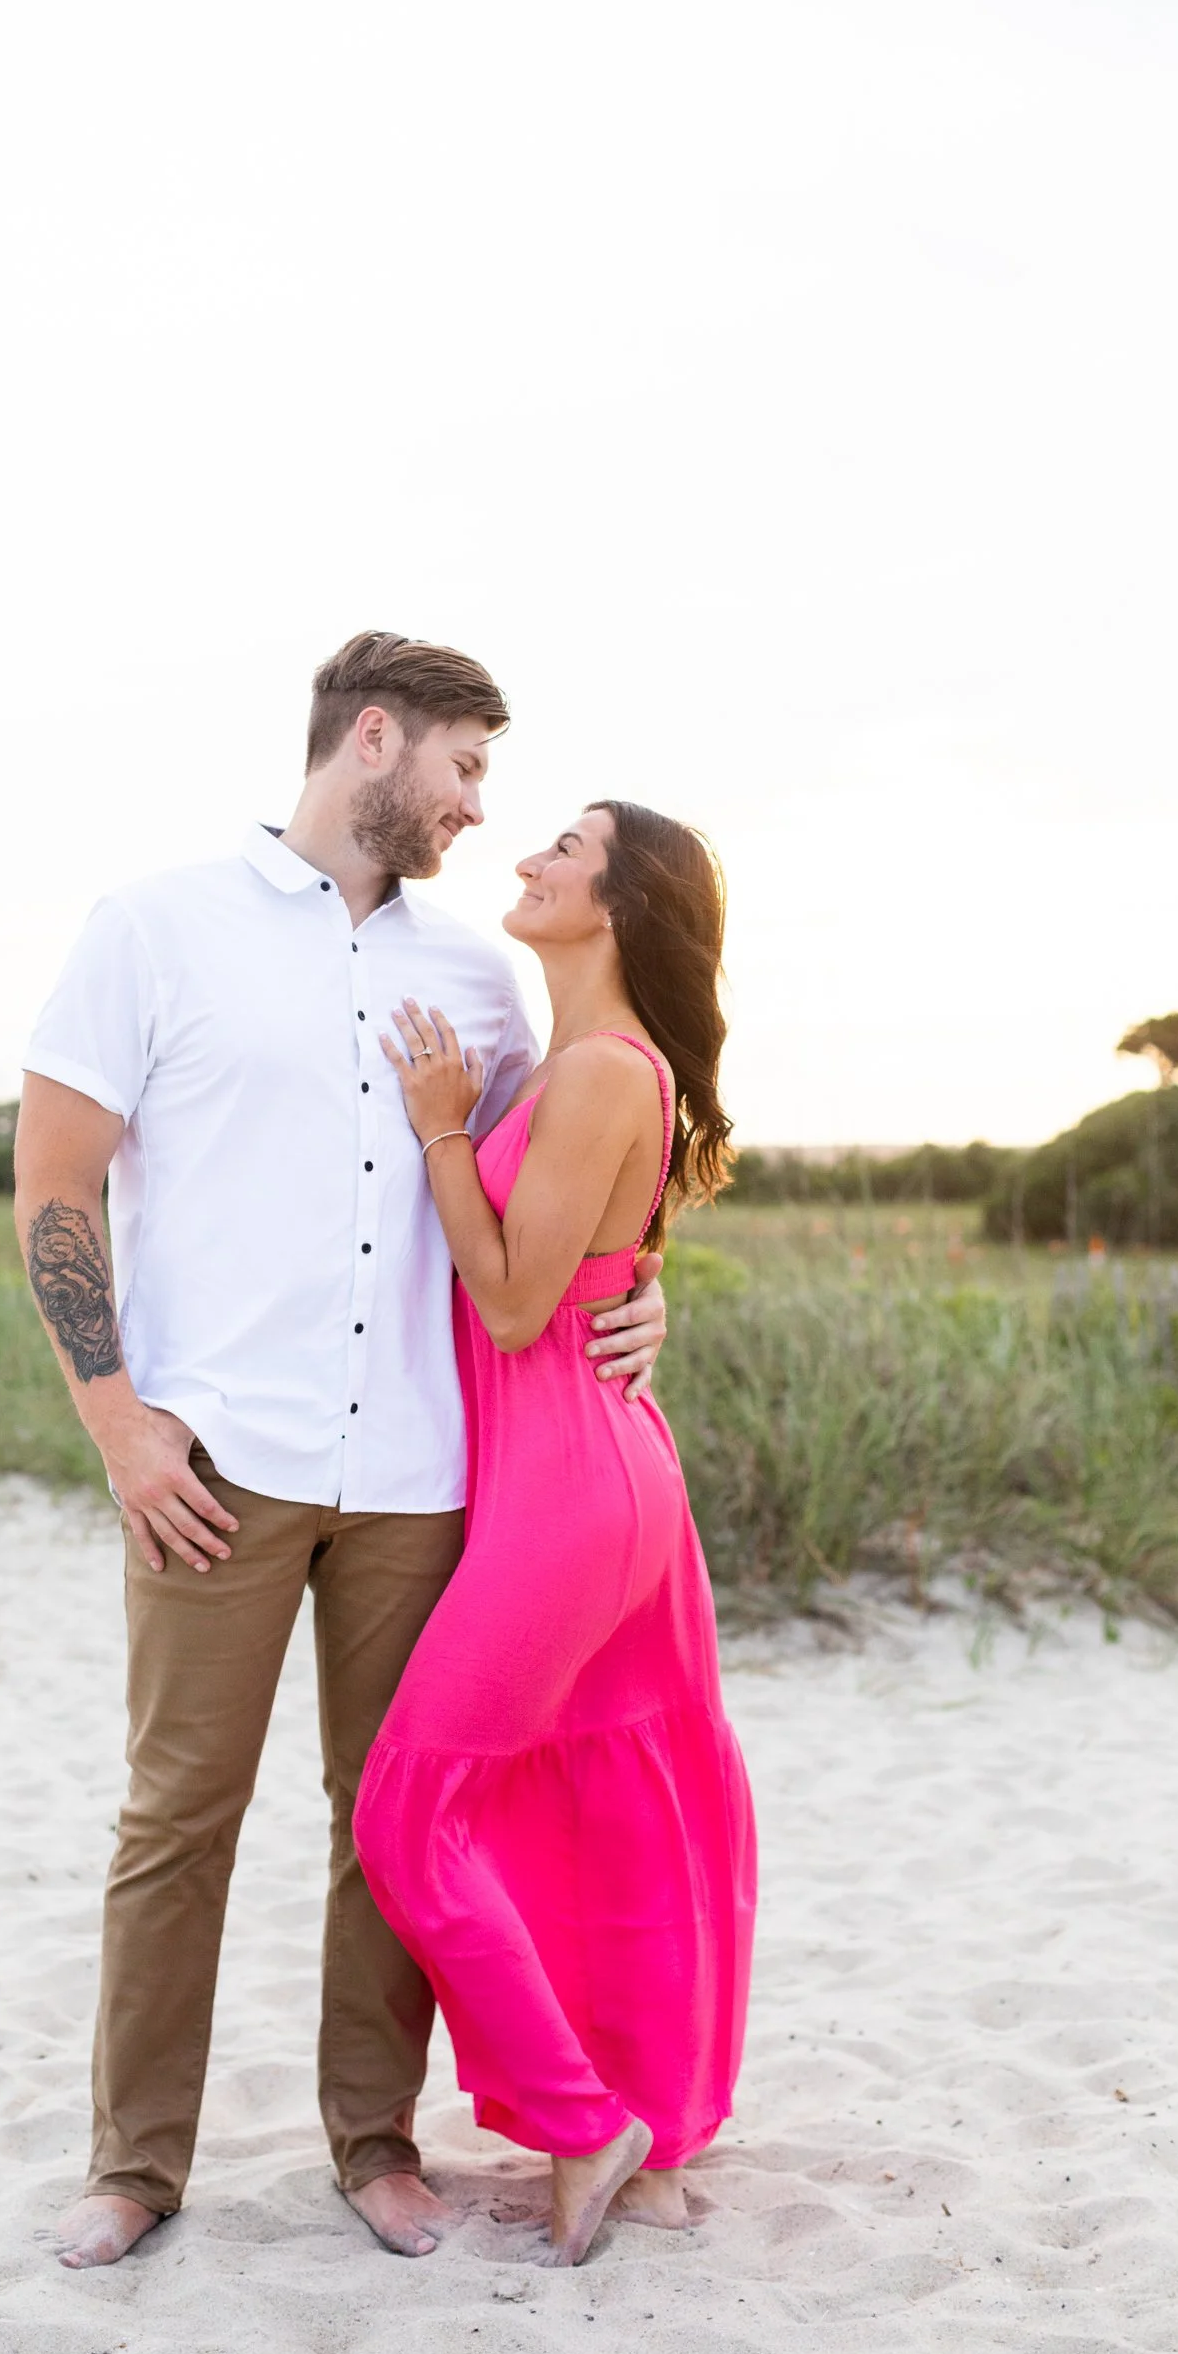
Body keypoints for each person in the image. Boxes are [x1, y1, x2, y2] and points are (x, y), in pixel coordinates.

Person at [13, 633, 671, 2268]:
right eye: (458, 770)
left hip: (421, 1474)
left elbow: (547, 1196)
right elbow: (53, 1184)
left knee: (388, 1823)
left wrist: (646, 1304)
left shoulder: (477, 978)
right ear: (369, 739)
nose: (470, 811)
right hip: (214, 1460)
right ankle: (135, 2167)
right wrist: (116, 1421)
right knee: (179, 1817)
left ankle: (373, 2141)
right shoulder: (151, 928)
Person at [353, 800, 757, 2267]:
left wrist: (443, 1132)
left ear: (622, 904)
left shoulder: (596, 1072)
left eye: (566, 849)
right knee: (604, 1807)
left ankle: (591, 2125)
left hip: (572, 1493)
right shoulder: (581, 1068)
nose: (526, 857)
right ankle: (641, 2117)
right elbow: (599, 1273)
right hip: (583, 1472)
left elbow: (517, 1306)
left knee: (405, 1813)